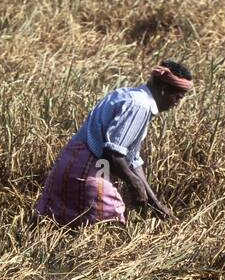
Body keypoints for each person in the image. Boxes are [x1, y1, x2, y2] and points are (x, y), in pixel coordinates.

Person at [34, 60, 194, 226]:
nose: (176, 103)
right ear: (164, 90)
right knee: (109, 228)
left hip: (70, 163)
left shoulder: (130, 95)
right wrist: (134, 184)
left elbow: (132, 161)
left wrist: (156, 204)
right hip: (88, 170)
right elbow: (113, 154)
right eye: (177, 97)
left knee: (61, 226)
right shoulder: (140, 105)